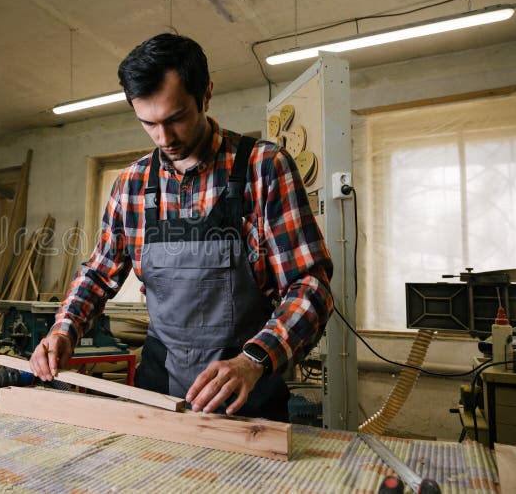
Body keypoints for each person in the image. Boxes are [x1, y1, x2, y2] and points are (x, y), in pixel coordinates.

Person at [29, 33, 333, 420]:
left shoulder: (264, 168)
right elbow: (98, 274)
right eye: (149, 124)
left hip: (246, 393)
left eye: (176, 119)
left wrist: (255, 358)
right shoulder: (131, 185)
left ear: (206, 94)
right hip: (158, 392)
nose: (164, 138)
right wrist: (64, 329)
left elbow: (311, 284)